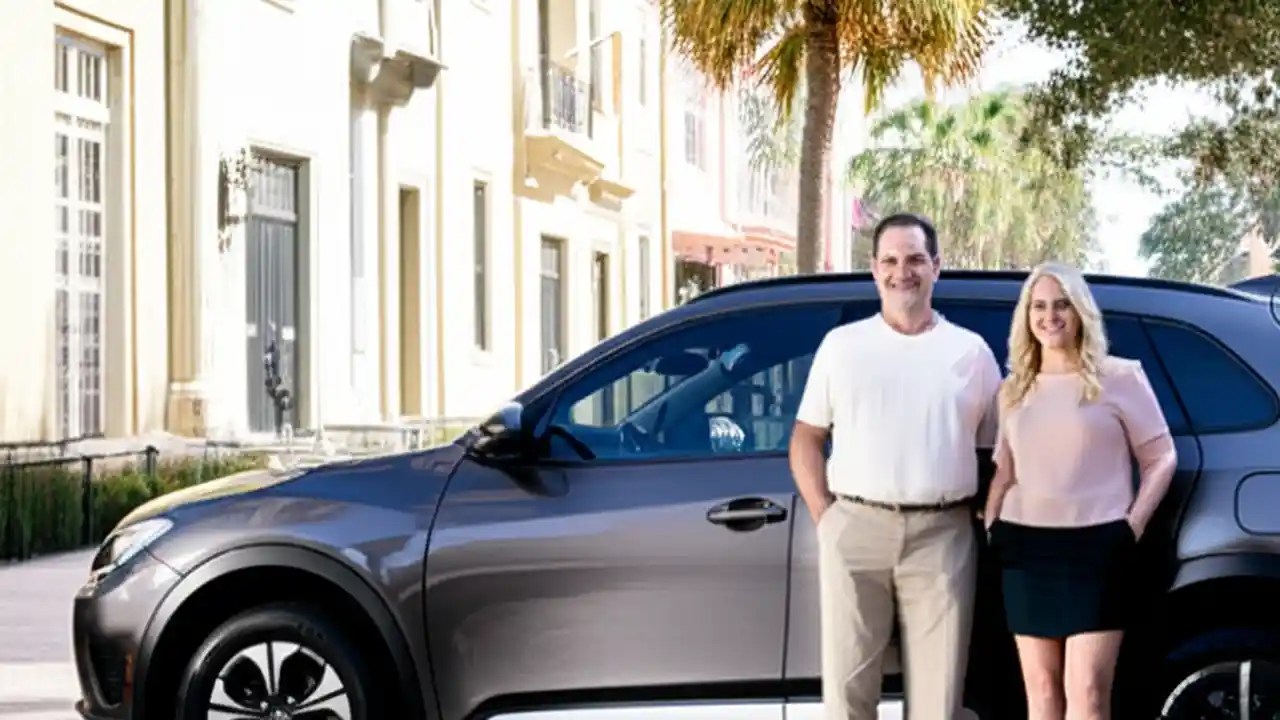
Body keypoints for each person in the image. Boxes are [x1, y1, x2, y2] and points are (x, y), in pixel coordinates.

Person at [790, 213, 1001, 720]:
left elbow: (999, 453)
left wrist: (980, 515)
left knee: (939, 698)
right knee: (848, 693)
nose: (901, 271)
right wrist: (828, 517)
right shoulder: (843, 347)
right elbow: (805, 439)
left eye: (914, 259)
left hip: (943, 534)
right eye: (890, 260)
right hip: (855, 528)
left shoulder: (971, 353)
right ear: (874, 269)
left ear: (936, 268)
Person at [981, 262, 1178, 720]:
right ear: (1026, 316)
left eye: (1062, 304)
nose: (1050, 316)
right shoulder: (1013, 389)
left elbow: (1161, 458)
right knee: (1042, 693)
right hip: (1025, 549)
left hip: (1098, 548)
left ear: (1081, 312)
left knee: (1088, 692)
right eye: (1040, 306)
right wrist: (992, 522)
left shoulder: (1120, 377)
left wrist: (1132, 524)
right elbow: (1005, 469)